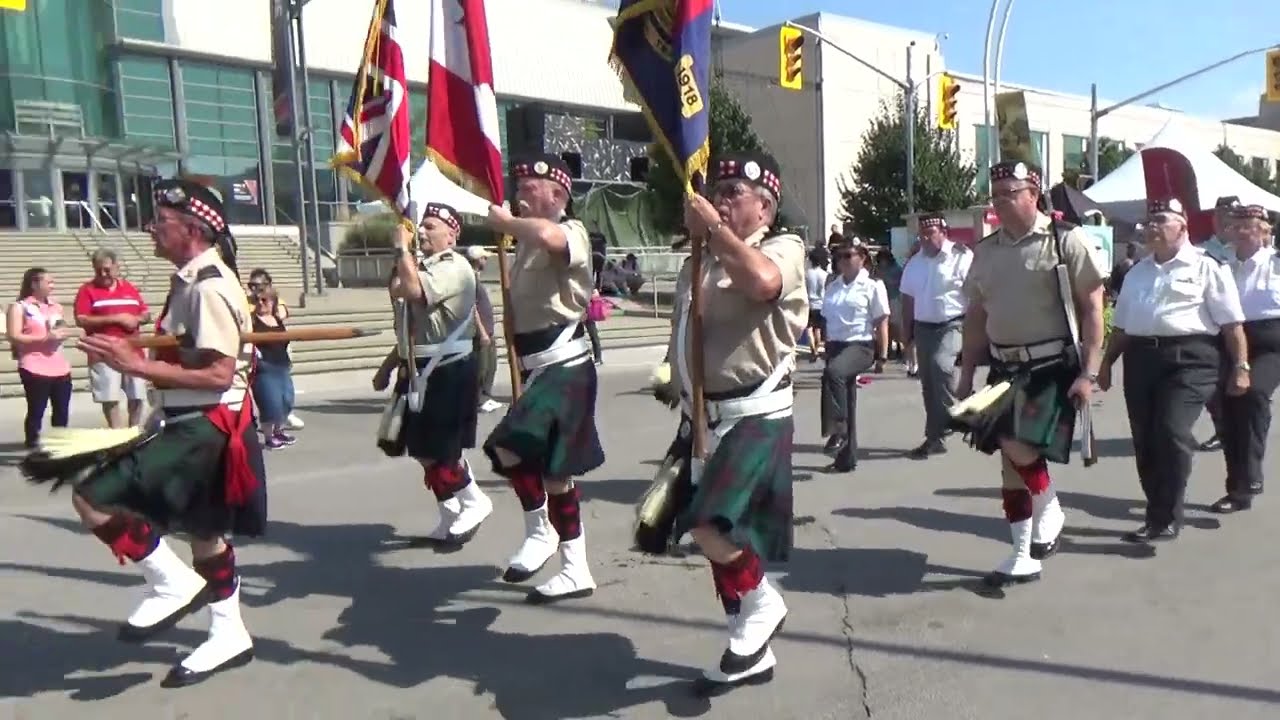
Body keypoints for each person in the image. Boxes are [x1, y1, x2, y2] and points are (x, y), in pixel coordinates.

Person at [65, 179, 267, 687]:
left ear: (192, 229)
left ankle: (172, 583)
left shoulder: (209, 286)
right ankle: (229, 633)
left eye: (161, 220)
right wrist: (138, 355)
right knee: (205, 533)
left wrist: (135, 366)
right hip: (194, 418)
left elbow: (220, 374)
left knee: (93, 498)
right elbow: (194, 353)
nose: (150, 227)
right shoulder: (189, 280)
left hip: (206, 423)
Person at [658, 151, 805, 693]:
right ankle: (749, 643)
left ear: (764, 206)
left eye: (731, 193)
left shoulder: (782, 247)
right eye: (715, 190)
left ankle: (763, 604)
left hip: (755, 411)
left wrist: (714, 230)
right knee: (708, 533)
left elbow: (764, 283)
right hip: (704, 415)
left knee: (710, 525)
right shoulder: (700, 257)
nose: (718, 197)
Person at [957, 160, 1106, 589]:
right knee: (1009, 463)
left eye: (1010, 193)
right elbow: (975, 316)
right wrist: (966, 375)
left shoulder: (1065, 241)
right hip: (1004, 366)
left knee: (1014, 442)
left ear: (1033, 192)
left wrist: (1089, 373)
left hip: (1051, 366)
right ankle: (1022, 554)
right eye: (996, 195)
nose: (1000, 202)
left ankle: (1049, 504)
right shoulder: (986, 252)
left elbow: (1093, 308)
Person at [483, 154, 604, 604]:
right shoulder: (524, 246)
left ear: (557, 193)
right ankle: (572, 565)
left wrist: (509, 223)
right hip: (539, 368)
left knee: (512, 448)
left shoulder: (569, 231)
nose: (519, 191)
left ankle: (544, 535)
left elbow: (553, 237)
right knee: (552, 474)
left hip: (565, 364)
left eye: (529, 185)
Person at [1098, 197, 1248, 542]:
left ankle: (1167, 516)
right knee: (1146, 439)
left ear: (1182, 226)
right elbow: (1121, 328)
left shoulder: (1208, 266)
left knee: (1170, 429)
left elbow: (1232, 325)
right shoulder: (1137, 272)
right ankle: (1157, 515)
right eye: (1149, 221)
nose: (1152, 227)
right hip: (1141, 359)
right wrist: (1105, 365)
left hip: (1191, 359)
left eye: (1161, 220)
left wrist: (1240, 367)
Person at [372, 203, 494, 545]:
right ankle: (450, 512)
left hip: (448, 367)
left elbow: (413, 292)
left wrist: (401, 248)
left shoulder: (454, 266)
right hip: (417, 365)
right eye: (420, 226)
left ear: (452, 234)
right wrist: (388, 367)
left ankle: (473, 500)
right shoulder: (420, 266)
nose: (421, 231)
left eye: (429, 226)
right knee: (421, 448)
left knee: (442, 448)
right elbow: (405, 313)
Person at [1210, 204, 1279, 513]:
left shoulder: (1276, 264)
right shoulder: (1221, 265)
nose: (1238, 231)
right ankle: (1238, 487)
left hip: (1271, 343)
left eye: (1247, 225)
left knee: (1252, 393)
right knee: (1224, 409)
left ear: (1265, 231)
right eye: (1235, 226)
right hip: (1230, 338)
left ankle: (1249, 477)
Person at [900, 213, 972, 459]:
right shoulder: (915, 262)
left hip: (954, 323)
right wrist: (906, 333)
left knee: (940, 366)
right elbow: (907, 299)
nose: (925, 239)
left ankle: (958, 415)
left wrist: (978, 330)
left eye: (930, 234)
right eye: (921, 235)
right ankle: (935, 438)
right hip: (923, 326)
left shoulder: (961, 257)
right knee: (928, 383)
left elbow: (975, 294)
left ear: (943, 232)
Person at [820, 243, 889, 473]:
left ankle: (837, 431)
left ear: (862, 258)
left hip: (860, 345)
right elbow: (826, 319)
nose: (844, 261)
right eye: (839, 257)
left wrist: (883, 355)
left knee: (834, 373)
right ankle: (846, 459)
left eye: (849, 255)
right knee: (844, 396)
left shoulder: (872, 286)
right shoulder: (832, 286)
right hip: (836, 346)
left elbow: (881, 322)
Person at [73, 249, 151, 428]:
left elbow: (145, 313)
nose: (103, 274)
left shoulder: (129, 287)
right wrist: (117, 318)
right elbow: (81, 319)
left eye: (107, 269)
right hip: (103, 351)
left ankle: (134, 430)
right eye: (98, 269)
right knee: (109, 396)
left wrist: (137, 319)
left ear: (117, 267)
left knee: (137, 393)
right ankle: (116, 433)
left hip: (133, 349)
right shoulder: (87, 290)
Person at [7, 268, 73, 448]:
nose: (53, 285)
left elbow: (62, 329)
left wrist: (61, 333)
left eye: (53, 282)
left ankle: (59, 445)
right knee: (37, 409)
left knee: (62, 410)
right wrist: (44, 338)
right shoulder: (20, 307)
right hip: (33, 365)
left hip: (59, 366)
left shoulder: (56, 306)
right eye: (48, 282)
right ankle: (33, 444)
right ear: (34, 284)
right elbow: (14, 335)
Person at [246, 269, 305, 432]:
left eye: (259, 286)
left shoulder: (273, 300)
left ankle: (283, 416)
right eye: (251, 285)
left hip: (279, 350)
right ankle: (269, 422)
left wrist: (268, 302)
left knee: (285, 390)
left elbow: (281, 313)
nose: (254, 290)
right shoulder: (246, 302)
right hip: (260, 356)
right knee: (267, 392)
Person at [249, 286, 297, 450]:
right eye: (257, 300)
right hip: (265, 367)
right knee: (270, 402)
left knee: (286, 400)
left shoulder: (277, 319)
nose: (260, 303)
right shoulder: (252, 321)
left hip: (282, 364)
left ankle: (279, 431)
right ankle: (269, 436)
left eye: (264, 300)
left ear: (273, 302)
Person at [464, 245, 503, 413]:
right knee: (483, 367)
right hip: (482, 332)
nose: (486, 261)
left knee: (491, 365)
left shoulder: (476, 278)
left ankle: (486, 396)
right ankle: (479, 399)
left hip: (488, 329)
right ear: (478, 259)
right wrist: (482, 332)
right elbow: (472, 308)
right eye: (484, 258)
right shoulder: (470, 279)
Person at [804, 246, 829, 362]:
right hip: (820, 303)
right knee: (818, 328)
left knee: (809, 328)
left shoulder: (807, 274)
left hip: (808, 303)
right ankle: (817, 348)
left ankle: (812, 349)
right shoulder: (824, 274)